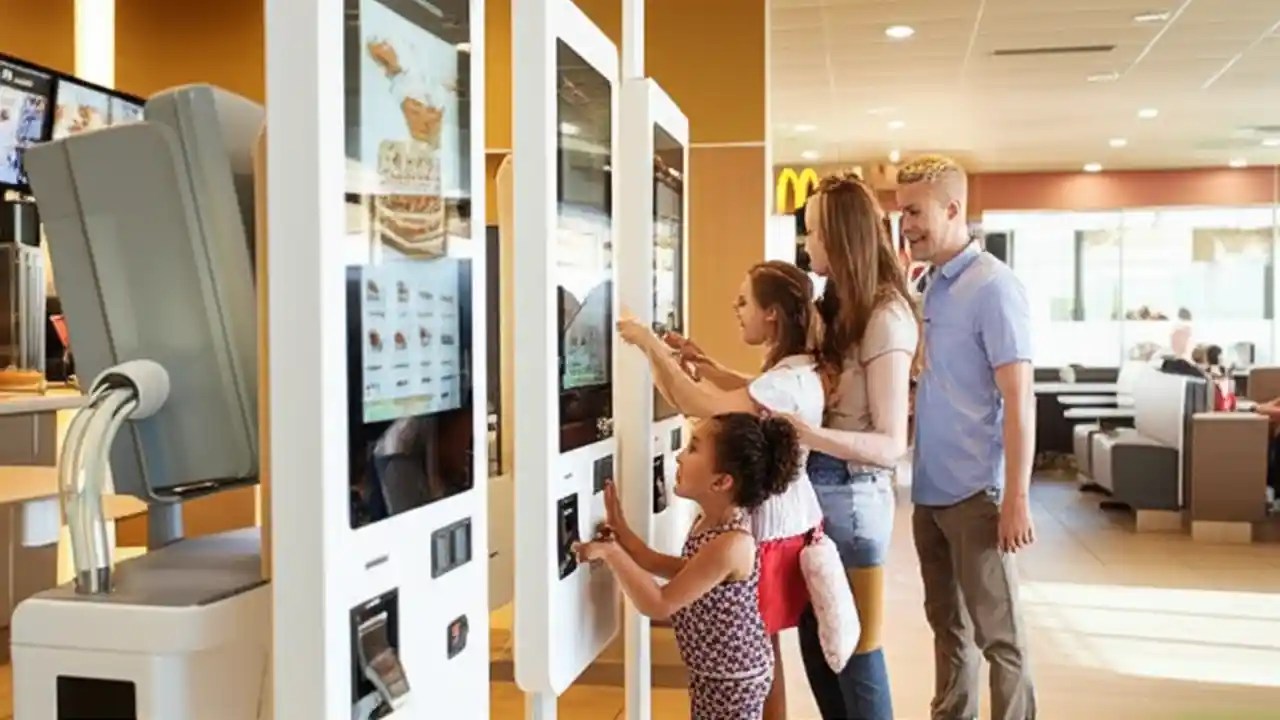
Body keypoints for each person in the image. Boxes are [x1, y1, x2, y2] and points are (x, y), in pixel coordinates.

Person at [616, 260, 832, 720]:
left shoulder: (786, 381)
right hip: (790, 527)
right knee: (763, 650)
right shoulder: (796, 371)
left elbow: (701, 405)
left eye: (743, 301)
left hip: (775, 533)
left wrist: (648, 343)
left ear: (770, 313)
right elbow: (747, 390)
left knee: (761, 650)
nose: (736, 310)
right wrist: (702, 364)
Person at [897, 154, 1037, 720]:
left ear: (953, 208)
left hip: (978, 494)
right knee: (946, 632)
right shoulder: (932, 286)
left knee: (999, 639)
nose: (905, 224)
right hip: (928, 493)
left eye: (914, 211)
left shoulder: (995, 287)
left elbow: (1019, 398)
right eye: (901, 212)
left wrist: (1017, 499)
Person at [779, 172, 919, 719]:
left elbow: (890, 443)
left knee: (857, 655)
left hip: (855, 503)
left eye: (812, 231)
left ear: (840, 236)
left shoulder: (886, 318)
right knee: (819, 647)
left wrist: (809, 435)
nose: (806, 242)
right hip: (819, 498)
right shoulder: (837, 309)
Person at [575, 413, 801, 720]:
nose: (680, 457)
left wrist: (612, 554)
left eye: (693, 448)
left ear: (721, 481)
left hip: (733, 681)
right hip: (713, 674)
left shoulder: (731, 543)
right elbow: (667, 565)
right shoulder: (710, 523)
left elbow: (660, 603)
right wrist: (622, 532)